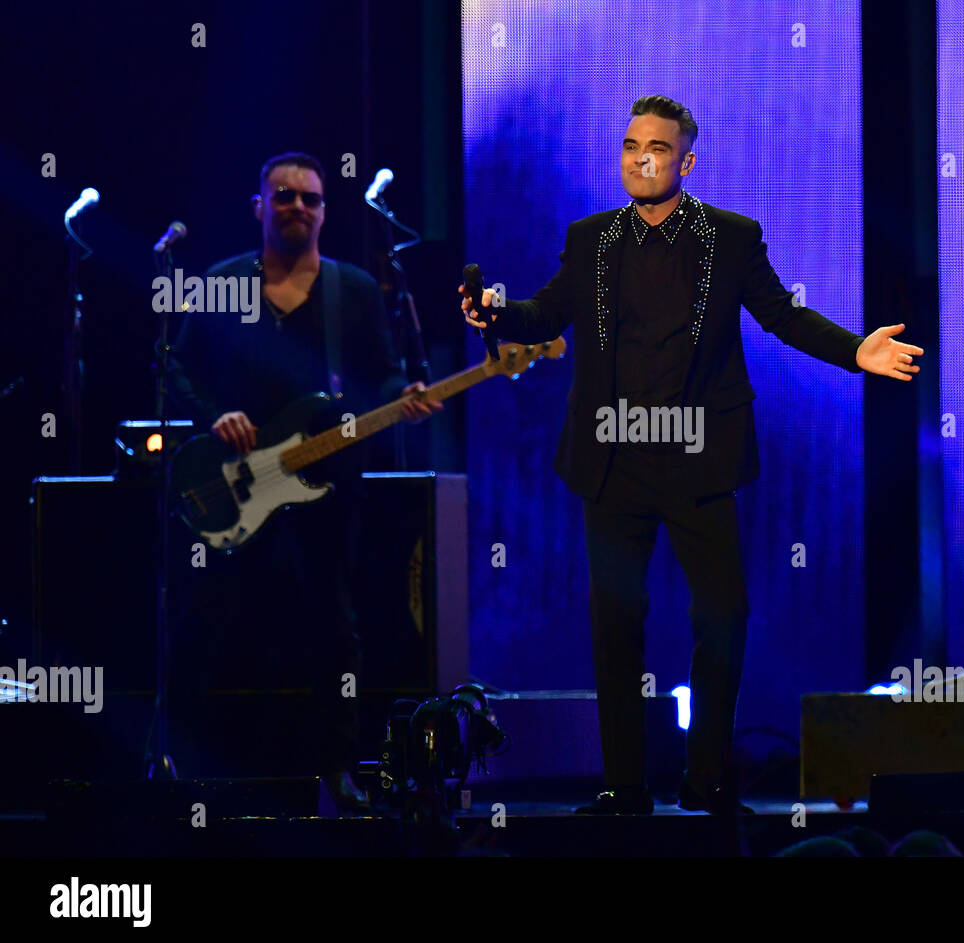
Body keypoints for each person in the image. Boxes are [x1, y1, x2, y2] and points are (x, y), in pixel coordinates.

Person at [463, 96, 922, 815]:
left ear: (686, 161)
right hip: (613, 455)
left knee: (724, 616)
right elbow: (544, 313)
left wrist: (854, 350)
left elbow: (783, 315)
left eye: (656, 147)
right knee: (615, 620)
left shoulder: (731, 239)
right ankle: (624, 785)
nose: (640, 158)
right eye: (629, 145)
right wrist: (496, 312)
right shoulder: (590, 242)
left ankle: (707, 777)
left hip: (697, 456)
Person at [168, 152, 439, 809]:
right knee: (200, 618)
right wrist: (215, 417)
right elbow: (178, 369)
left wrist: (407, 394)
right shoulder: (221, 282)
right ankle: (173, 759)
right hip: (236, 483)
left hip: (326, 479)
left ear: (324, 211)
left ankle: (338, 768)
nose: (297, 207)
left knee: (335, 623)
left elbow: (381, 376)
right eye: (284, 196)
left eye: (310, 199)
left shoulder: (355, 290)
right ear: (259, 206)